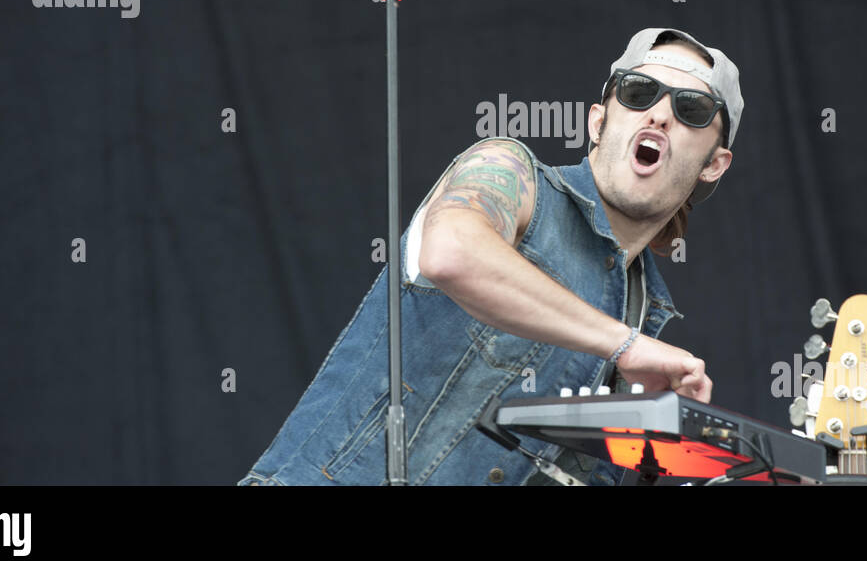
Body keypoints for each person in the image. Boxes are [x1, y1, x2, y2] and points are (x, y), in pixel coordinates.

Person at [238, 28, 743, 486]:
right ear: (598, 121)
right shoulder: (512, 172)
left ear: (713, 165)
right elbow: (452, 252)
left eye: (691, 108)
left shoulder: (640, 311)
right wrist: (626, 346)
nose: (658, 113)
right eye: (638, 92)